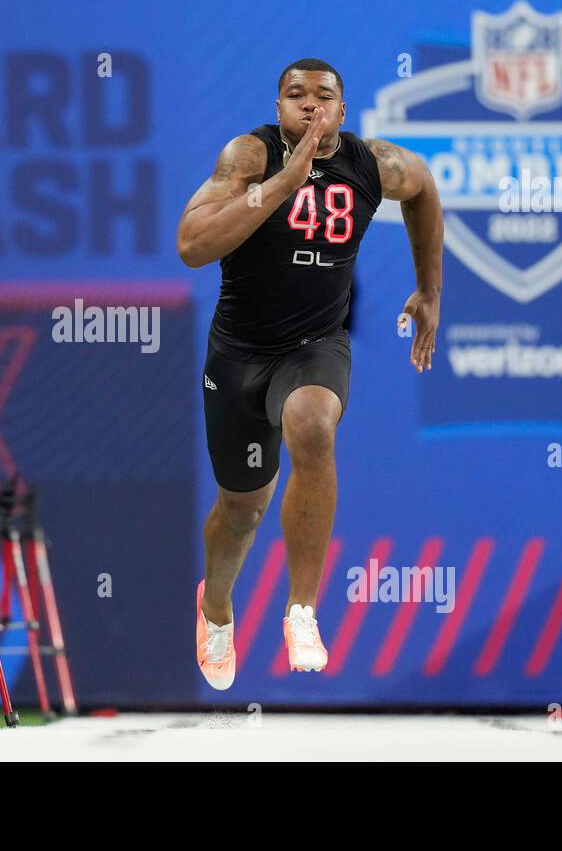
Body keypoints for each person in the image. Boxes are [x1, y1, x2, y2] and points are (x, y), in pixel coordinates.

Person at [176, 58, 444, 688]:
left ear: (342, 113)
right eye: (295, 95)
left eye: (323, 96)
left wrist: (429, 290)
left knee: (314, 423)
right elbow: (192, 245)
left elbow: (425, 186)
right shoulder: (249, 157)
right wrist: (282, 181)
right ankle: (215, 606)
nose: (309, 105)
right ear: (279, 109)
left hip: (314, 344)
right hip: (239, 354)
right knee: (241, 510)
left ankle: (302, 609)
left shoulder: (372, 164)